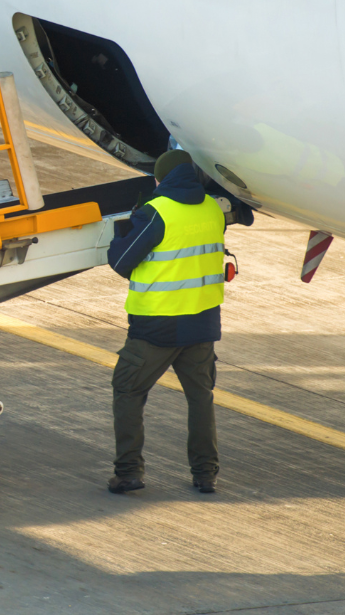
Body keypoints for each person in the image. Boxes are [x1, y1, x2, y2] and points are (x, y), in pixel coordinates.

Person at [104, 147, 252, 495]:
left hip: (156, 327)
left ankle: (129, 472)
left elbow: (122, 261)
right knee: (200, 398)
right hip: (201, 324)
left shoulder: (157, 213)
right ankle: (205, 475)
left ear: (161, 179)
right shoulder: (212, 211)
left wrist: (119, 236)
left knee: (128, 391)